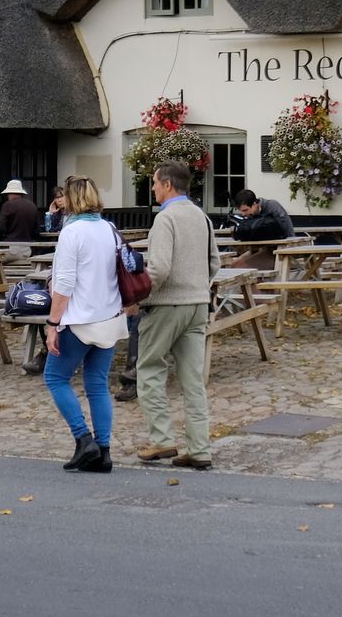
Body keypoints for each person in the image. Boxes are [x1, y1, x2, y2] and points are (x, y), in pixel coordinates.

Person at [40, 176, 126, 472]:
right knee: (97, 385)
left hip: (79, 318)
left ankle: (83, 438)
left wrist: (53, 323)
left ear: (71, 200)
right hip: (109, 316)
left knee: (55, 378)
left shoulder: (72, 232)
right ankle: (103, 451)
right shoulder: (110, 229)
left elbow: (63, 283)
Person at [135, 159, 216, 470]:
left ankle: (163, 438)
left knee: (150, 370)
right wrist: (198, 285)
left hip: (167, 304)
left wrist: (139, 295)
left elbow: (159, 268)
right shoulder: (202, 217)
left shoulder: (165, 219)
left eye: (155, 183)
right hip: (198, 304)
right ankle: (199, 448)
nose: (153, 188)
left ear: (167, 184)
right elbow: (214, 264)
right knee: (193, 380)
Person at [227, 188, 295, 270]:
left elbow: (288, 232)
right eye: (241, 211)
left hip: (279, 252)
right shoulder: (250, 214)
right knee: (232, 266)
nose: (243, 214)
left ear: (255, 203)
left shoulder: (273, 207)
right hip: (261, 250)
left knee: (239, 267)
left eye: (245, 210)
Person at [0, 179, 41, 243]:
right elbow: (36, 230)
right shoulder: (32, 205)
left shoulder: (7, 205)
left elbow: (0, 227)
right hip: (28, 245)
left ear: (9, 193)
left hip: (9, 245)